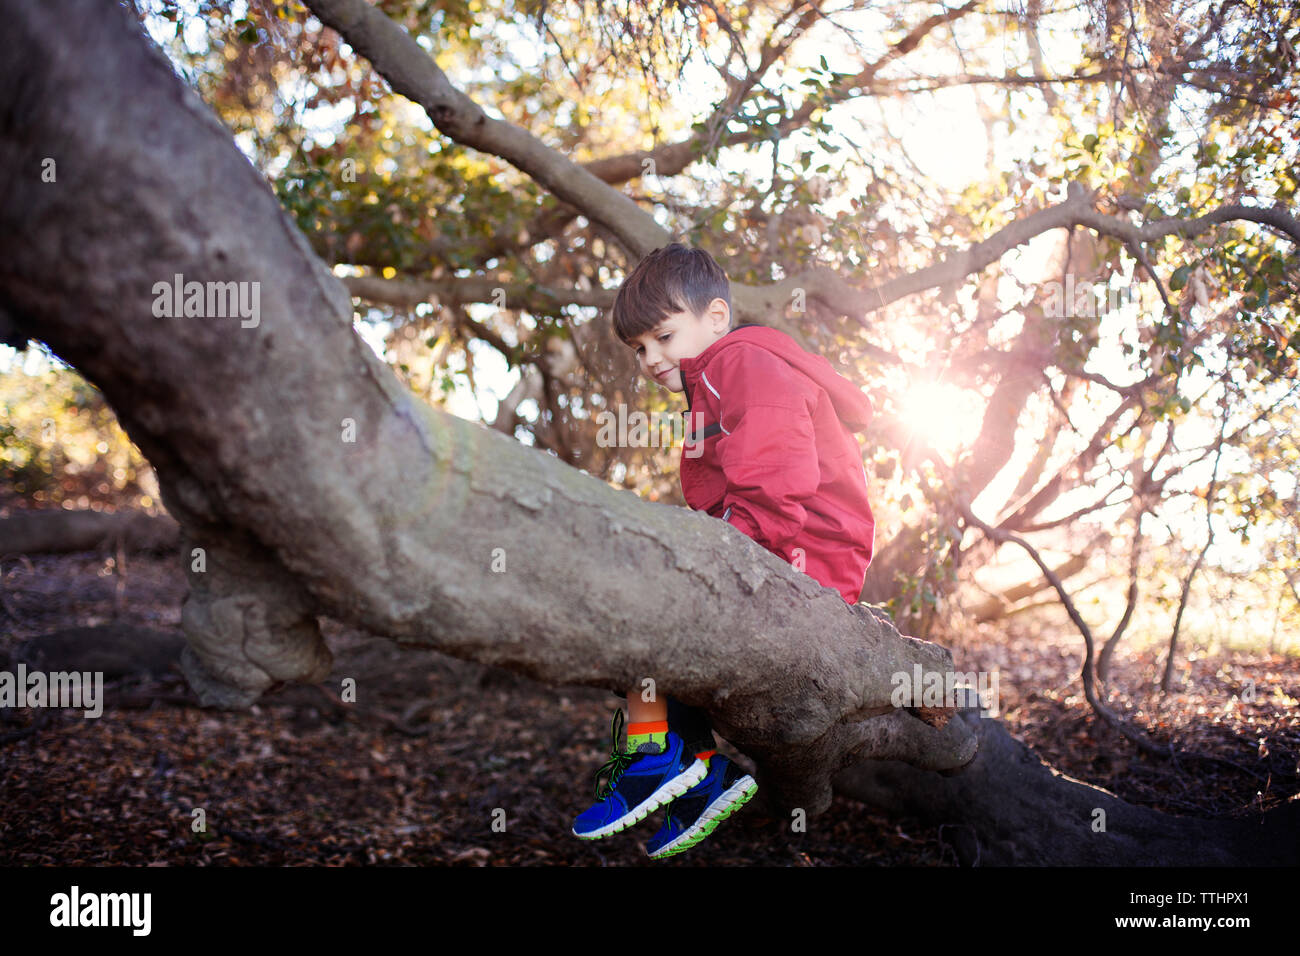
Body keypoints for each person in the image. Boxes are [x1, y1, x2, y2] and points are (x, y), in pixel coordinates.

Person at [571, 242, 876, 859]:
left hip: (800, 561)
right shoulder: (714, 379)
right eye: (639, 349)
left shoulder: (738, 361)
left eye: (662, 335)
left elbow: (773, 484)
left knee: (653, 602)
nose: (651, 358)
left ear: (714, 317)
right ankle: (693, 774)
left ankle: (669, 760)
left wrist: (709, 564)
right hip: (787, 552)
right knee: (643, 602)